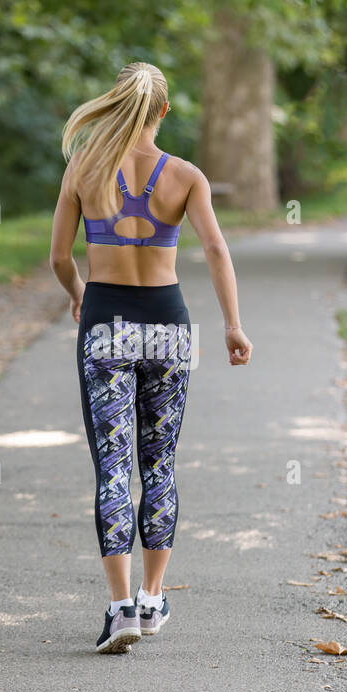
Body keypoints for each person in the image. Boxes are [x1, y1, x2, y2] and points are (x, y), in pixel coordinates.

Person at [49, 60, 253, 653]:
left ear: (115, 104)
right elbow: (215, 248)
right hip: (168, 326)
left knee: (113, 465)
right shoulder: (186, 175)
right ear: (163, 111)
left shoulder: (82, 170)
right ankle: (153, 597)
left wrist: (80, 296)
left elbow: (61, 258)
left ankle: (119, 609)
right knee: (158, 463)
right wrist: (233, 326)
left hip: (106, 324)